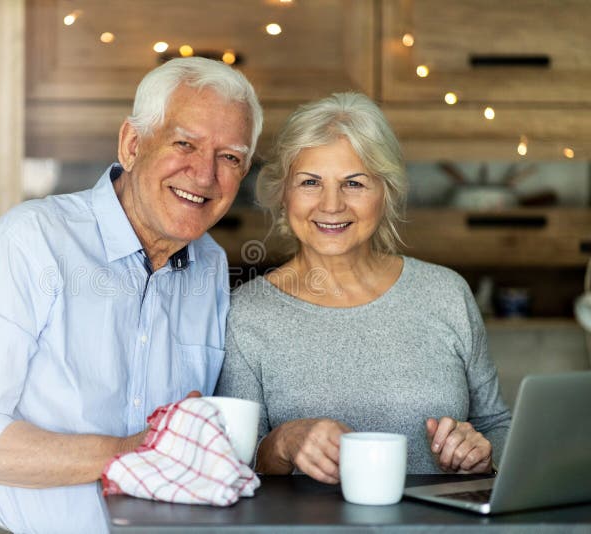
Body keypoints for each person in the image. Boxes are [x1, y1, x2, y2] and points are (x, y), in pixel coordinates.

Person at [0, 57, 262, 533]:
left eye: (229, 157)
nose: (205, 175)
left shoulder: (209, 267)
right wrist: (134, 450)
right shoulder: (30, 243)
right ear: (132, 144)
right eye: (184, 143)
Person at [214, 92, 511, 484]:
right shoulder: (245, 315)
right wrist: (282, 443)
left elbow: (498, 426)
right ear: (283, 194)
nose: (331, 205)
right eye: (310, 182)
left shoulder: (446, 293)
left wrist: (483, 455)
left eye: (353, 183)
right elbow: (229, 470)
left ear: (385, 193)